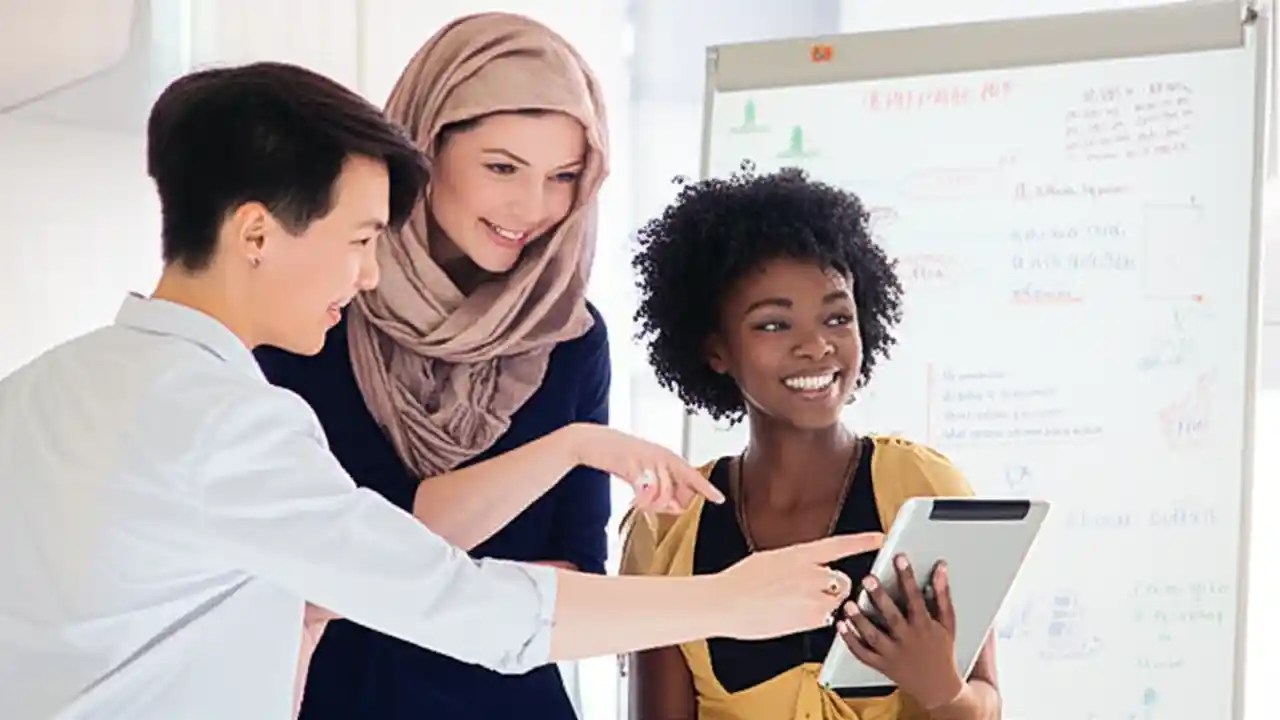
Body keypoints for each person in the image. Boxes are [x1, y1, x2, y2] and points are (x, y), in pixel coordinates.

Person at [0, 65, 885, 719]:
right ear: (256, 234)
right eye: (357, 239)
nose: (370, 270)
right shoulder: (231, 425)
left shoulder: (34, 394)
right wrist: (738, 598)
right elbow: (474, 609)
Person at [251, 13, 630, 718]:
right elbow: (328, 562)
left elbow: (577, 572)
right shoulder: (319, 316)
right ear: (426, 146)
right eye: (501, 167)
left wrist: (399, 582)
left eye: (564, 177)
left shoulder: (571, 337)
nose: (533, 206)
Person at [622, 167, 1001, 719]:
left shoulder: (923, 489)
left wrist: (944, 688)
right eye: (774, 324)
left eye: (837, 317)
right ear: (715, 349)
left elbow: (988, 705)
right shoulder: (668, 524)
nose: (817, 346)